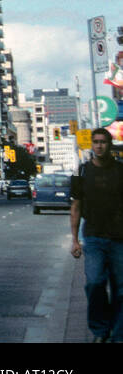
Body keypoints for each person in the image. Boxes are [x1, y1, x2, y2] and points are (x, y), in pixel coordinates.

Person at [71, 128, 123, 341]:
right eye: (96, 142)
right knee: (94, 284)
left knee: (121, 290)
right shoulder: (81, 172)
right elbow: (75, 207)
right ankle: (100, 330)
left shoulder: (121, 170)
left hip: (120, 239)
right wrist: (75, 240)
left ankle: (118, 334)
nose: (99, 146)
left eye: (103, 142)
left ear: (109, 144)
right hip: (93, 238)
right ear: (91, 145)